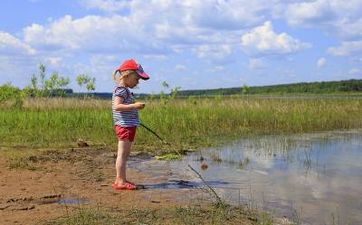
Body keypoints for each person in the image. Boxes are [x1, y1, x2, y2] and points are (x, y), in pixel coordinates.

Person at [111, 59, 150, 190]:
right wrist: (135, 105)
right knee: (122, 154)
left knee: (125, 154)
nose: (137, 82)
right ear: (127, 75)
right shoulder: (121, 89)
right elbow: (117, 106)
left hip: (128, 125)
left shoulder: (124, 89)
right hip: (124, 126)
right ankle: (121, 181)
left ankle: (119, 179)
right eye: (136, 78)